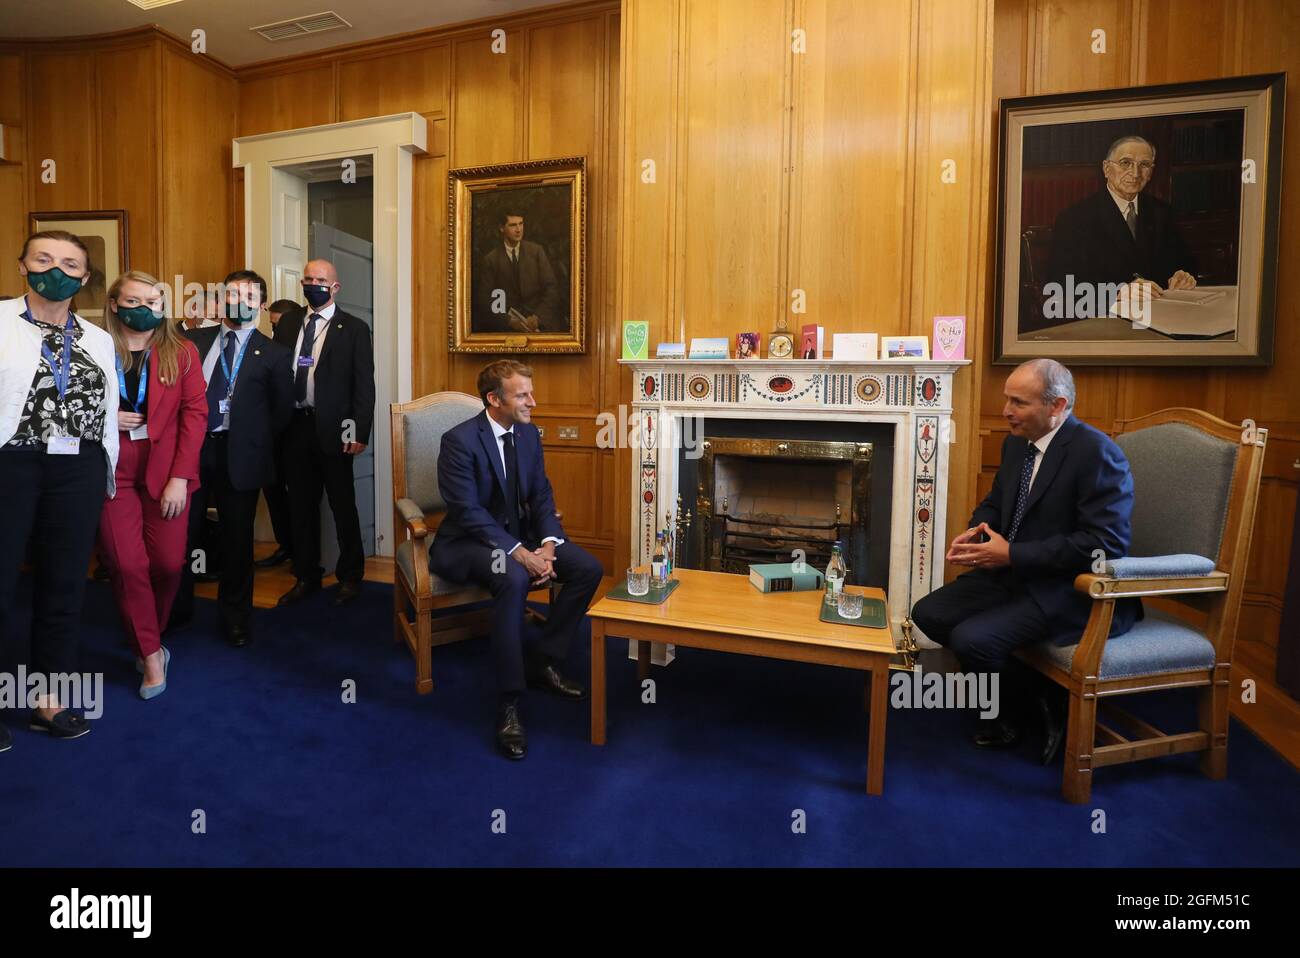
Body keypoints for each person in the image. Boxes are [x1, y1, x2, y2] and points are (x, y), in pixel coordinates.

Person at [910, 359, 1140, 761]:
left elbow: (1106, 544)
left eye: (1019, 402)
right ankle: (1041, 695)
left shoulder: (1097, 454)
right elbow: (996, 503)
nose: (1006, 411)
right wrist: (978, 532)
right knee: (928, 613)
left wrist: (1012, 554)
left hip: (1069, 588)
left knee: (972, 640)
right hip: (1014, 576)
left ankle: (1010, 715)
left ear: (1057, 405)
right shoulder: (1016, 442)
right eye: (1007, 400)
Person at [429, 360, 604, 760]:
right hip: (467, 543)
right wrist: (520, 554)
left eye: (531, 392)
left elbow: (541, 494)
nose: (533, 402)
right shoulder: (458, 441)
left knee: (587, 569)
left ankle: (543, 662)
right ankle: (509, 702)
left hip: (522, 538)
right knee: (512, 577)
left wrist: (546, 545)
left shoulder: (527, 434)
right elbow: (467, 511)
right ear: (494, 399)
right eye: (522, 395)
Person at [0, 231, 120, 744]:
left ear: (85, 278)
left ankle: (47, 700)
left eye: (71, 263)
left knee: (64, 583)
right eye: (44, 259)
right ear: (22, 266)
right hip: (12, 464)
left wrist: (104, 466)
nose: (57, 269)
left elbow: (108, 411)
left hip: (78, 469)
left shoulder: (98, 338)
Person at [97, 271, 207, 699]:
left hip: (167, 472)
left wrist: (180, 477)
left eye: (154, 301)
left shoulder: (182, 352)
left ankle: (149, 634)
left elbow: (194, 417)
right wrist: (109, 418)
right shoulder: (95, 349)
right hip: (112, 469)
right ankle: (150, 655)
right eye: (135, 300)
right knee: (126, 566)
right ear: (114, 304)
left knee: (165, 564)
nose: (145, 308)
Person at [180, 270, 292, 647]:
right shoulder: (191, 341)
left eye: (248, 297)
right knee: (181, 536)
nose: (238, 303)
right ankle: (176, 611)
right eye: (231, 295)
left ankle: (235, 618)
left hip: (240, 455)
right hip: (192, 451)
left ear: (260, 305)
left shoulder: (274, 354)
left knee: (237, 541)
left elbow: (280, 412)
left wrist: (250, 439)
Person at [273, 262, 375, 607]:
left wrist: (358, 430)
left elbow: (364, 385)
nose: (313, 285)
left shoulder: (355, 328)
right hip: (294, 426)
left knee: (342, 504)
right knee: (300, 505)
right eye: (308, 279)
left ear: (335, 286)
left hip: (336, 429)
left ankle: (350, 577)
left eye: (321, 281)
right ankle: (306, 576)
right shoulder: (288, 323)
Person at [1046, 135, 1197, 307]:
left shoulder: (1162, 212)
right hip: (1103, 317)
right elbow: (1059, 285)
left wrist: (1182, 275)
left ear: (1151, 172)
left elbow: (1186, 262)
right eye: (1125, 163)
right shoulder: (1074, 218)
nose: (1135, 173)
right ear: (1106, 169)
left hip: (1160, 311)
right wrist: (1117, 292)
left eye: (1144, 165)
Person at [254, 298, 302, 570]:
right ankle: (285, 545)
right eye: (272, 327)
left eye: (279, 327)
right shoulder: (266, 349)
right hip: (269, 435)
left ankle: (302, 552)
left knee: (298, 496)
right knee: (273, 493)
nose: (276, 333)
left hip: (297, 434)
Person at [474, 212, 560, 333]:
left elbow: (552, 289)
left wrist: (537, 317)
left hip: (540, 326)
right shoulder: (491, 259)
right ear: (501, 228)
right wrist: (508, 321)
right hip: (507, 329)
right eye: (513, 225)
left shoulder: (536, 252)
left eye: (521, 224)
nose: (518, 229)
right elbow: (485, 300)